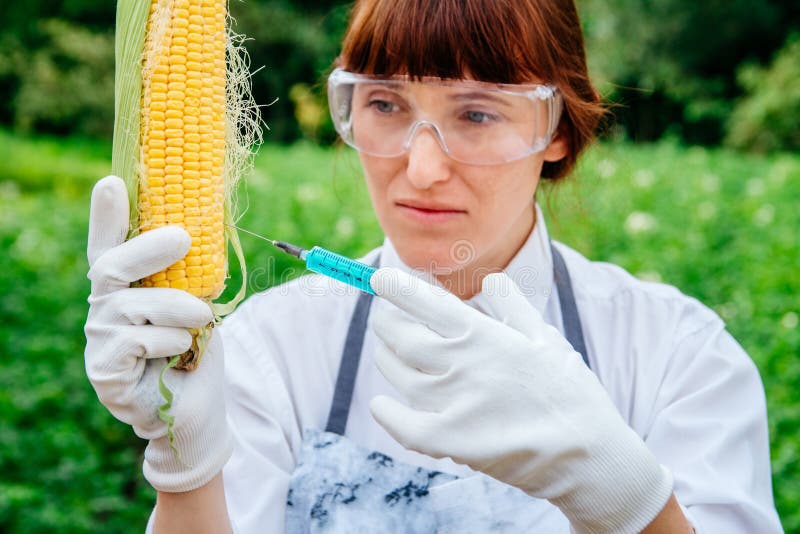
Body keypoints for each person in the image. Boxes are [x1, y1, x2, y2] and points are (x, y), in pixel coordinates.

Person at [84, 0, 783, 532]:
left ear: (559, 132)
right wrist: (186, 472)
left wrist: (633, 503)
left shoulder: (680, 358)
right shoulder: (270, 349)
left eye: (477, 115)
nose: (420, 170)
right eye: (385, 104)